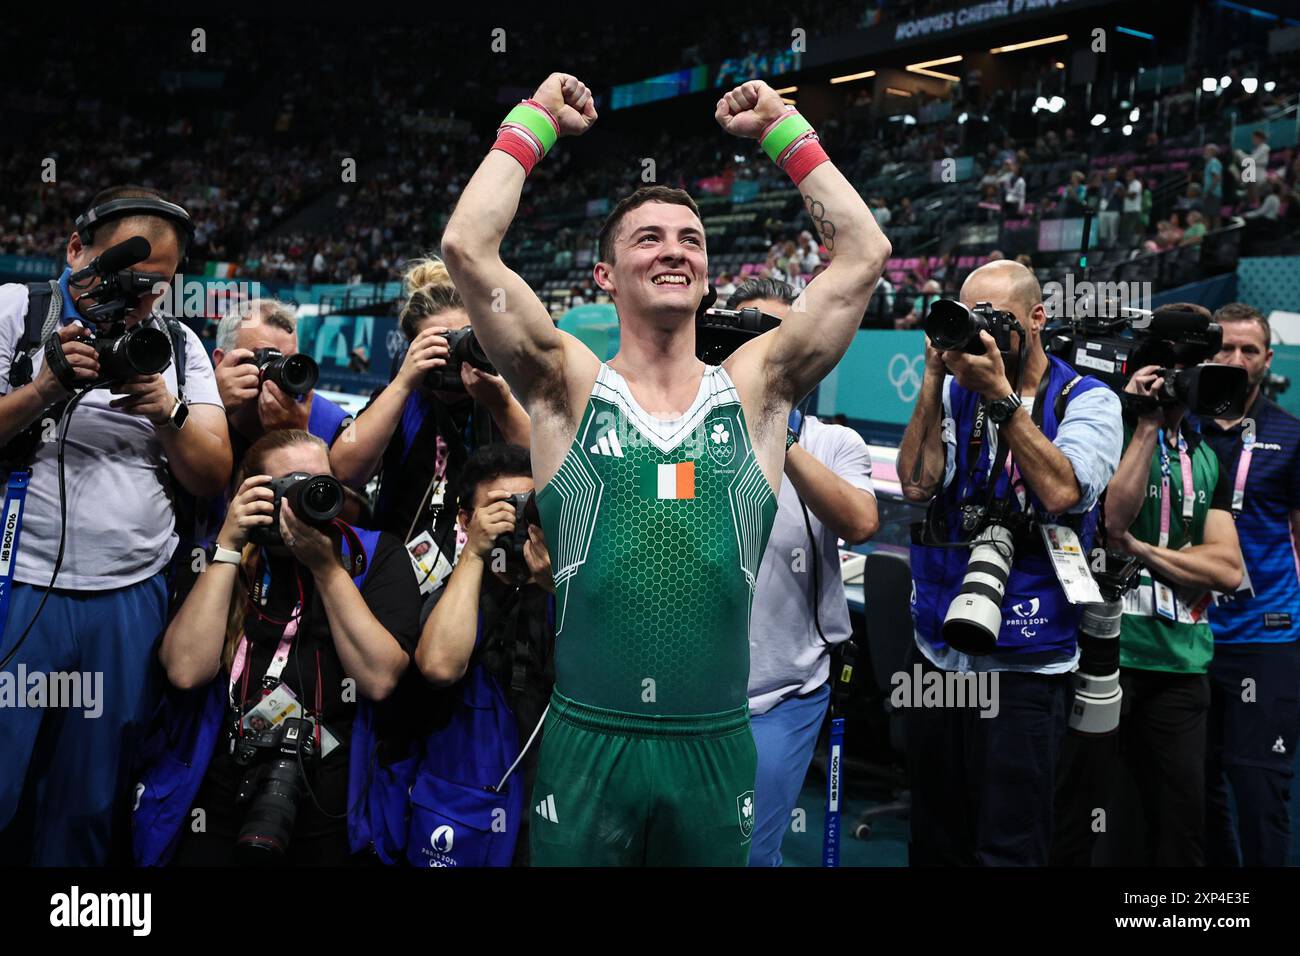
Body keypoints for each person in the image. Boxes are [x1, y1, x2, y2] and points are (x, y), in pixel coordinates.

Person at [441, 73, 888, 865]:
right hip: (587, 742)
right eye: (648, 238)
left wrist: (783, 129)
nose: (674, 250)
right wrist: (536, 119)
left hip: (715, 745)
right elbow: (468, 248)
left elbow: (863, 253)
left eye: (691, 241)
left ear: (709, 274)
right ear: (605, 277)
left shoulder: (756, 389)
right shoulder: (565, 386)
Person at [0, 185, 232, 866]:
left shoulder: (179, 346)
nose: (137, 301)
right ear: (75, 250)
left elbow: (212, 471)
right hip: (16, 586)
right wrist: (43, 389)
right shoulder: (16, 313)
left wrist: (167, 410)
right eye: (124, 279)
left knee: (89, 801)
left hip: (127, 600)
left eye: (156, 288)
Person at [896, 259, 1123, 866]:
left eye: (997, 321)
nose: (985, 337)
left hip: (1027, 658)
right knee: (936, 838)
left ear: (1038, 318)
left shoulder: (1090, 401)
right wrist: (929, 378)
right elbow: (917, 486)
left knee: (1010, 845)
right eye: (974, 321)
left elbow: (1062, 493)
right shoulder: (950, 391)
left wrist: (1002, 399)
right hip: (940, 649)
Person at [157, 429, 420, 865]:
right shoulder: (219, 557)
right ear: (255, 494)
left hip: (331, 800)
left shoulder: (374, 555)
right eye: (292, 486)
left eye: (322, 483)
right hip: (220, 794)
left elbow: (378, 679)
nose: (311, 497)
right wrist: (228, 546)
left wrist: (326, 569)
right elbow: (185, 670)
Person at [726, 278, 878, 867]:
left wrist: (775, 429)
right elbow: (664, 504)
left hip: (783, 690)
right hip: (695, 692)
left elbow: (861, 520)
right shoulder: (691, 438)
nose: (766, 350)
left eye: (780, 335)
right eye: (749, 336)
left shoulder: (832, 442)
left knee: (748, 851)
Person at [1097, 302, 1245, 866]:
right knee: (1108, 818)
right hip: (1111, 653)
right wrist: (1147, 422)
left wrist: (1141, 550)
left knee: (1181, 826)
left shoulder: (1207, 454)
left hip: (1184, 664)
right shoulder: (1113, 427)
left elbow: (1228, 569)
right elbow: (1114, 520)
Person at [330, 258, 529, 594]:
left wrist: (501, 403)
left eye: (464, 340)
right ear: (411, 348)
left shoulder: (507, 394)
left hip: (498, 573)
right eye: (438, 343)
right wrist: (404, 383)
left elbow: (554, 472)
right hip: (399, 573)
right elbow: (344, 470)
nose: (452, 355)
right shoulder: (400, 397)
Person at [415, 442, 556, 865]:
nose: (515, 518)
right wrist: (476, 551)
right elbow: (439, 666)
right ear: (464, 519)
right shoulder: (457, 593)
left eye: (527, 506)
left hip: (550, 807)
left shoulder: (568, 588)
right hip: (464, 807)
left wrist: (556, 583)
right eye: (501, 507)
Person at [1200, 303, 1300, 866]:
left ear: (1266, 360)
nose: (1235, 360)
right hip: (1189, 635)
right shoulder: (1176, 427)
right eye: (1224, 349)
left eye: (1249, 350)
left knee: (1260, 786)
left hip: (1266, 639)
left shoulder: (1291, 436)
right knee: (1198, 786)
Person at [213, 299, 353, 462]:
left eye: (289, 361)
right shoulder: (194, 412)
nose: (279, 371)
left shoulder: (333, 423)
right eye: (262, 357)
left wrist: (298, 436)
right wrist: (214, 408)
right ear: (221, 361)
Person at [1203, 144, 1224, 230]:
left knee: (1214, 216)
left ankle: (1216, 236)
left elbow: (1217, 178)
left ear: (1212, 152)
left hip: (1213, 193)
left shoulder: (1214, 162)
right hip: (1210, 193)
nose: (1204, 152)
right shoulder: (1210, 163)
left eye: (1206, 150)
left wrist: (1208, 191)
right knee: (1208, 215)